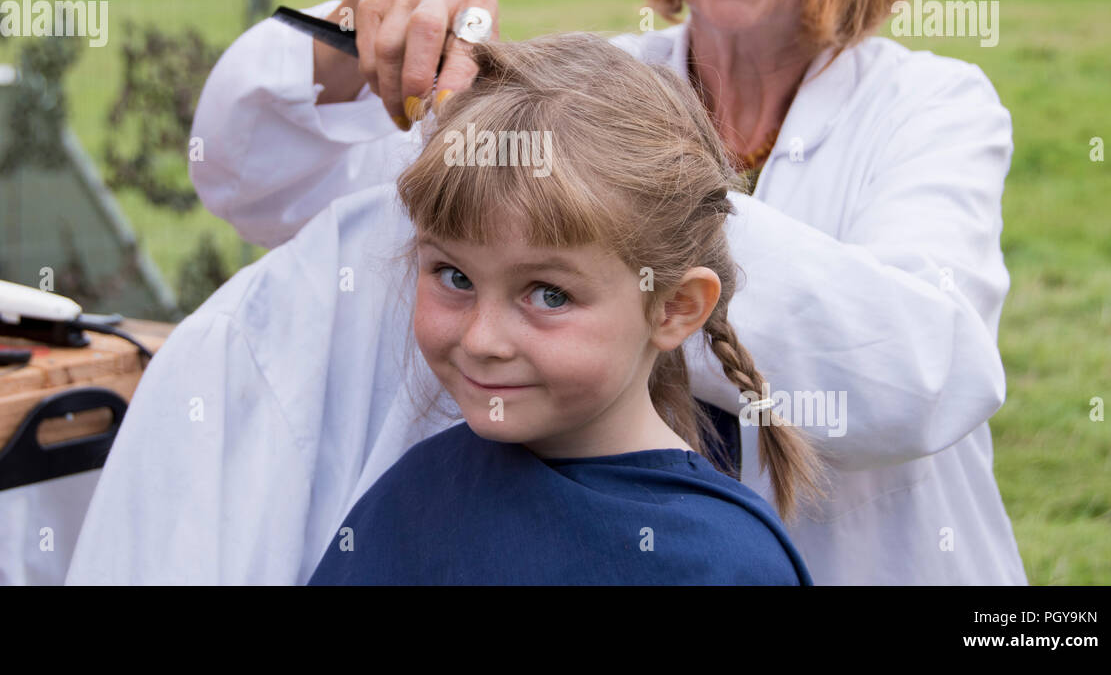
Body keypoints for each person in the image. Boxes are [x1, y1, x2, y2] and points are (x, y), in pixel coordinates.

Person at [67, 0, 1027, 585]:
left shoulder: (931, 107)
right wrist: (359, 35)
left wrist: (623, 199)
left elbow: (922, 372)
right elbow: (257, 173)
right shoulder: (594, 88)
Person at [309, 33, 817, 584]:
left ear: (673, 307)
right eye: (455, 277)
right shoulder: (407, 501)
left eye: (549, 295)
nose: (482, 340)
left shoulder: (722, 563)